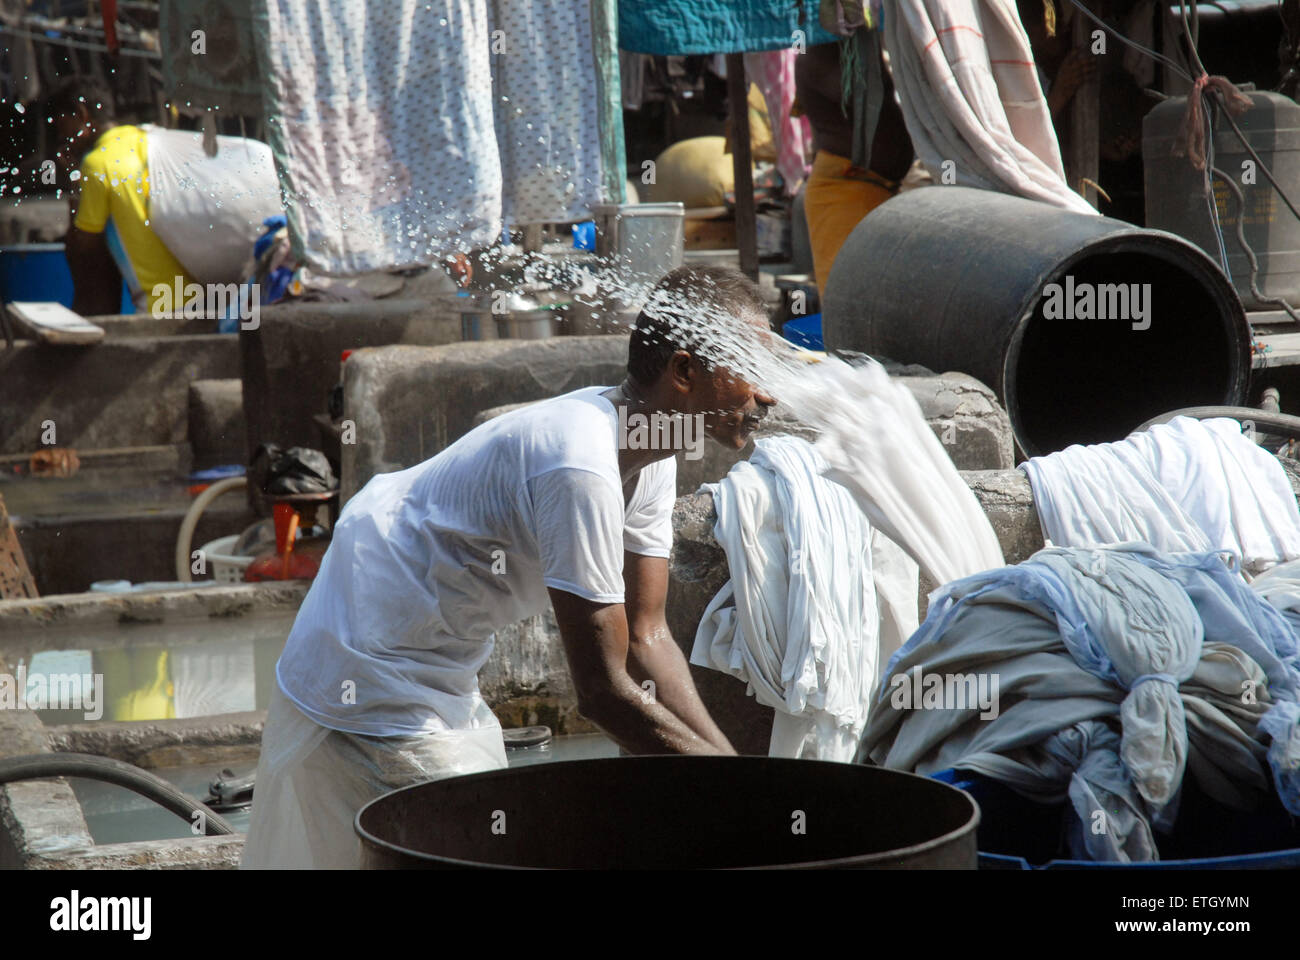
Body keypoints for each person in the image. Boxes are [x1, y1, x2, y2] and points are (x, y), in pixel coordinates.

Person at [241, 264, 779, 868]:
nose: (768, 395)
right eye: (753, 371)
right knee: (467, 840)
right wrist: (739, 796)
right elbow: (601, 691)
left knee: (458, 835)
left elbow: (648, 637)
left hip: (433, 649)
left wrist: (732, 773)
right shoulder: (578, 463)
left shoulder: (651, 454)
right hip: (371, 646)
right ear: (683, 372)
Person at [47, 76, 193, 316]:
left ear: (82, 115)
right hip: (202, 298)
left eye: (63, 131)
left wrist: (74, 189)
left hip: (160, 308)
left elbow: (84, 260)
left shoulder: (97, 164)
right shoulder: (146, 140)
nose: (64, 143)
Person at [795, 40, 914, 296]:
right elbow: (863, 96)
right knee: (851, 292)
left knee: (880, 289)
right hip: (843, 192)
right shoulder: (818, 55)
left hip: (871, 188)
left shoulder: (857, 48)